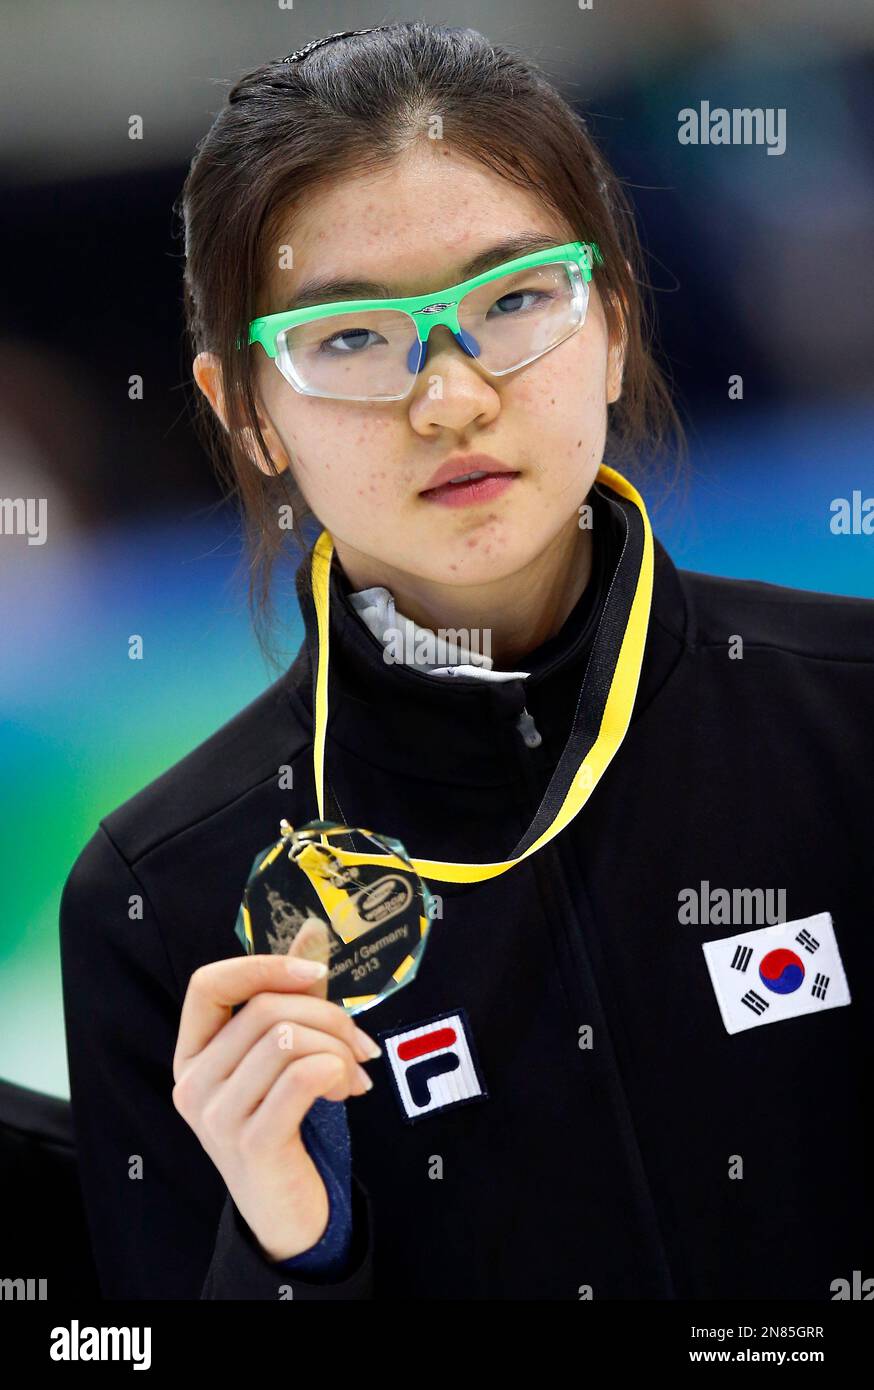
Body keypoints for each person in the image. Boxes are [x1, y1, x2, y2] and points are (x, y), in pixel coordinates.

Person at [59, 23, 874, 1301]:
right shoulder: (158, 900)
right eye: (351, 339)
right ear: (247, 414)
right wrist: (290, 1257)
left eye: (509, 302)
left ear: (607, 321)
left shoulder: (851, 710)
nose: (448, 396)